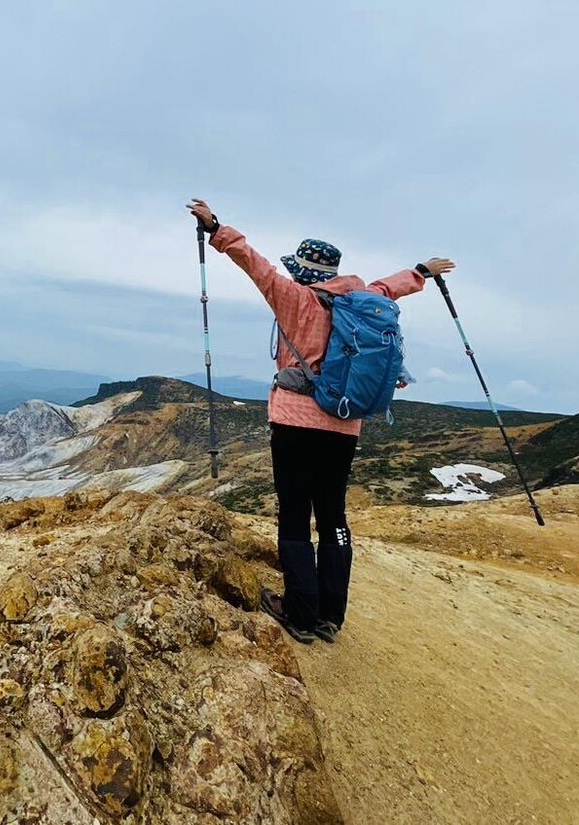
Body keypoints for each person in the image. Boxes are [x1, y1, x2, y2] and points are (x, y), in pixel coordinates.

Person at [188, 198, 454, 644]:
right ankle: (331, 615)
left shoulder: (293, 298)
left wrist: (216, 228)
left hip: (294, 422)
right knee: (333, 516)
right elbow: (391, 287)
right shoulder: (364, 298)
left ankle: (301, 613)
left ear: (303, 271)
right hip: (345, 424)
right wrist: (422, 272)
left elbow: (255, 265)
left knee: (294, 515)